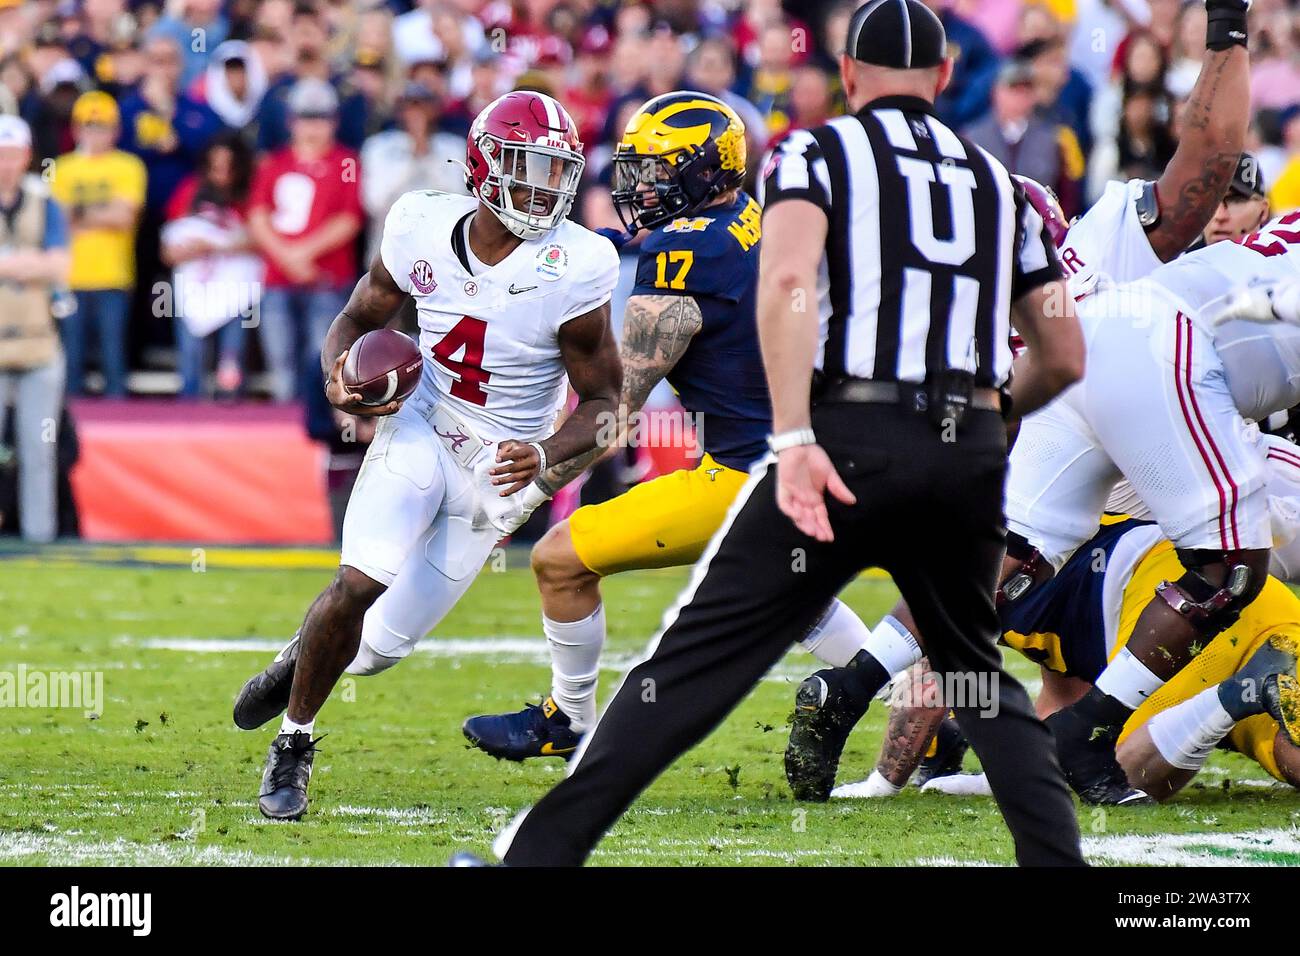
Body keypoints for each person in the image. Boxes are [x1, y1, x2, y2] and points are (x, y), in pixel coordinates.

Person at [472, 0, 1088, 868]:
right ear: (946, 79)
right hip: (970, 446)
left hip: (850, 431)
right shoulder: (999, 180)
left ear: (846, 76)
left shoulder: (815, 153)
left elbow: (789, 282)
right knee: (981, 680)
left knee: (690, 668)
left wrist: (796, 433)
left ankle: (537, 857)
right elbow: (1062, 350)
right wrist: (992, 416)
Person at [782, 0, 1258, 808]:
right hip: (1130, 544)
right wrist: (1229, 28)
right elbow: (1210, 156)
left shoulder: (944, 317)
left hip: (1031, 525)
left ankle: (889, 732)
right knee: (1230, 583)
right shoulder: (1101, 236)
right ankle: (1062, 739)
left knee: (981, 592)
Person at [230, 91, 623, 822]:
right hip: (422, 425)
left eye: (556, 171)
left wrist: (542, 453)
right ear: (484, 165)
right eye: (529, 167)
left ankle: (295, 659)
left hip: (495, 473)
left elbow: (606, 408)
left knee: (374, 651)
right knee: (358, 582)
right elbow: (357, 313)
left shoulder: (579, 263)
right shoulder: (418, 221)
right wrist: (337, 375)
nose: (545, 188)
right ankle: (293, 743)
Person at [461, 92, 877, 762]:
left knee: (558, 560)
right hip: (804, 457)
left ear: (706, 169)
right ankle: (937, 722)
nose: (641, 187)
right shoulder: (748, 216)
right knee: (795, 595)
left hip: (742, 477)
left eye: (657, 170)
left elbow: (614, 414)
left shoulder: (682, 255)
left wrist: (531, 486)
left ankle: (565, 721)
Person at [838, 435, 1300, 802]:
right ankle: (1257, 690)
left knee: (1119, 768)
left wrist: (884, 783)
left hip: (1193, 626)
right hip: (1258, 608)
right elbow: (1064, 698)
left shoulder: (989, 553)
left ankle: (1237, 696)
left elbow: (932, 685)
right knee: (1288, 751)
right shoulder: (1047, 524)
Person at [245, 78, 362, 402]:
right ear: (291, 121)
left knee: (321, 359)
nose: (313, 126)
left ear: (334, 121)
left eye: (321, 118)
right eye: (306, 118)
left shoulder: (347, 162)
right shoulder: (274, 163)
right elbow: (258, 214)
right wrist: (288, 257)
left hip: (327, 276)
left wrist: (301, 253)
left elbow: (349, 219)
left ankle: (314, 429)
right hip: (277, 278)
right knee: (280, 362)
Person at [0, 116, 71, 542]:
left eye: (11, 154)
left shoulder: (45, 202)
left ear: (26, 156)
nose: (5, 163)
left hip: (38, 345)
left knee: (39, 450)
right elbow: (45, 263)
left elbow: (61, 266)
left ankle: (38, 539)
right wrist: (31, 264)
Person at [51, 90, 145, 398]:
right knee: (70, 359)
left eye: (102, 126)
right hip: (69, 275)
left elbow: (124, 217)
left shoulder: (129, 165)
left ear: (115, 130)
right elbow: (56, 221)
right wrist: (101, 212)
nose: (95, 133)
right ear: (76, 129)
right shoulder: (62, 167)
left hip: (112, 274)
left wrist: (79, 212)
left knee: (113, 356)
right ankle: (69, 435)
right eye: (89, 126)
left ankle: (119, 429)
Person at [161, 132, 258, 398]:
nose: (222, 174)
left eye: (229, 167)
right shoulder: (190, 190)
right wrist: (186, 249)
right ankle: (190, 414)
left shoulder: (251, 193)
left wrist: (216, 245)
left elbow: (261, 239)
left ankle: (233, 416)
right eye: (216, 167)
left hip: (237, 291)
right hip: (194, 287)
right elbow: (169, 245)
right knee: (191, 358)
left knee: (232, 359)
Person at [358, 81, 466, 265]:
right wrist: (411, 155)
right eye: (410, 107)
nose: (417, 115)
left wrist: (427, 153)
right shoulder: (378, 147)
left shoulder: (454, 147)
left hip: (440, 256)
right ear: (400, 111)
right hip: (388, 254)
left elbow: (460, 199)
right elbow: (374, 202)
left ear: (435, 110)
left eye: (423, 107)